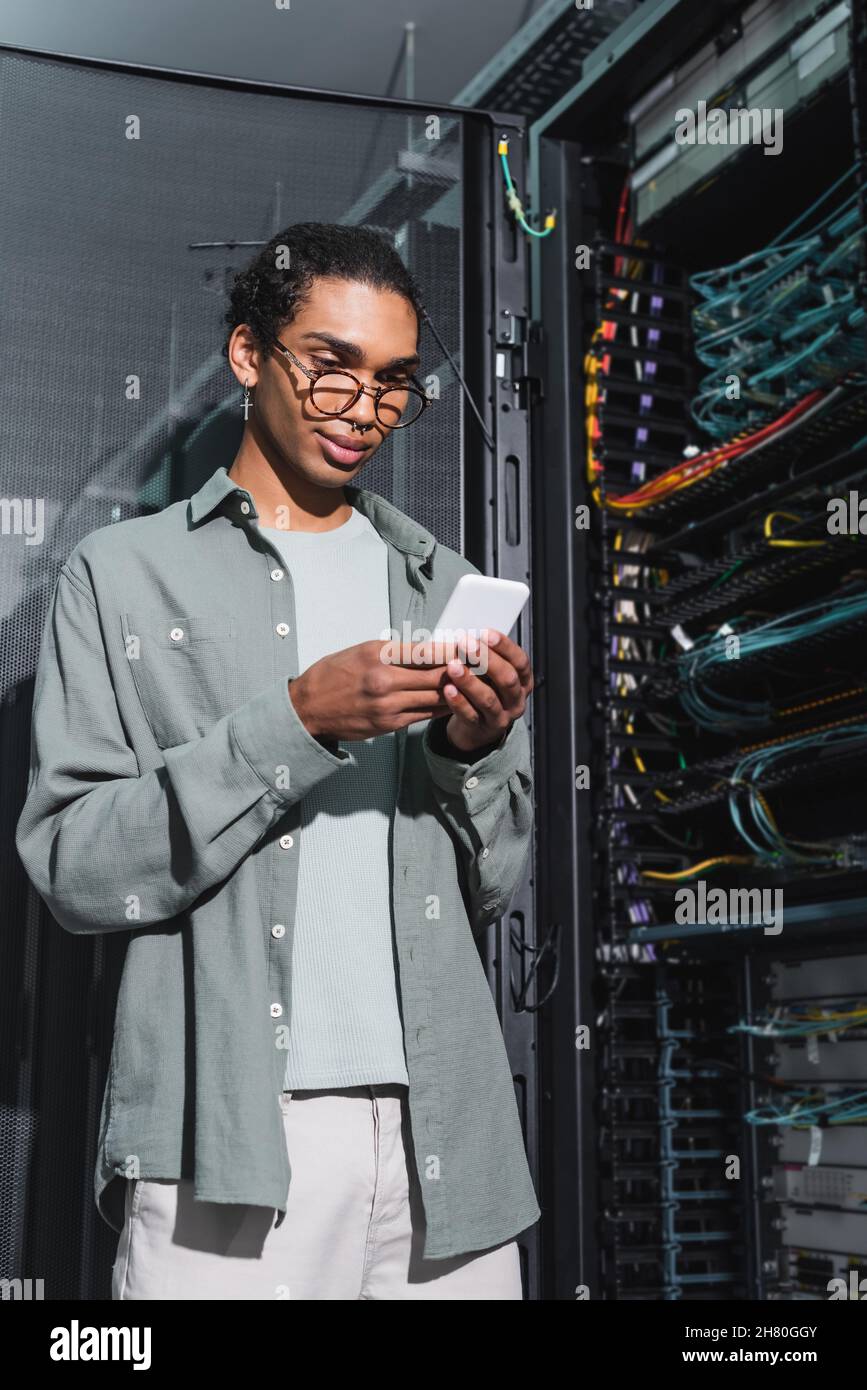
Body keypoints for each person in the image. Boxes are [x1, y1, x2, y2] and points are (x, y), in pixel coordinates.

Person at [16, 222, 540, 1300]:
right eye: (331, 365)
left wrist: (466, 753)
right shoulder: (121, 577)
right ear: (249, 353)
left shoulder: (440, 585)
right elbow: (72, 869)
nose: (365, 409)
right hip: (226, 1145)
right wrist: (296, 721)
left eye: (394, 382)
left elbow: (495, 880)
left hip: (449, 1144)